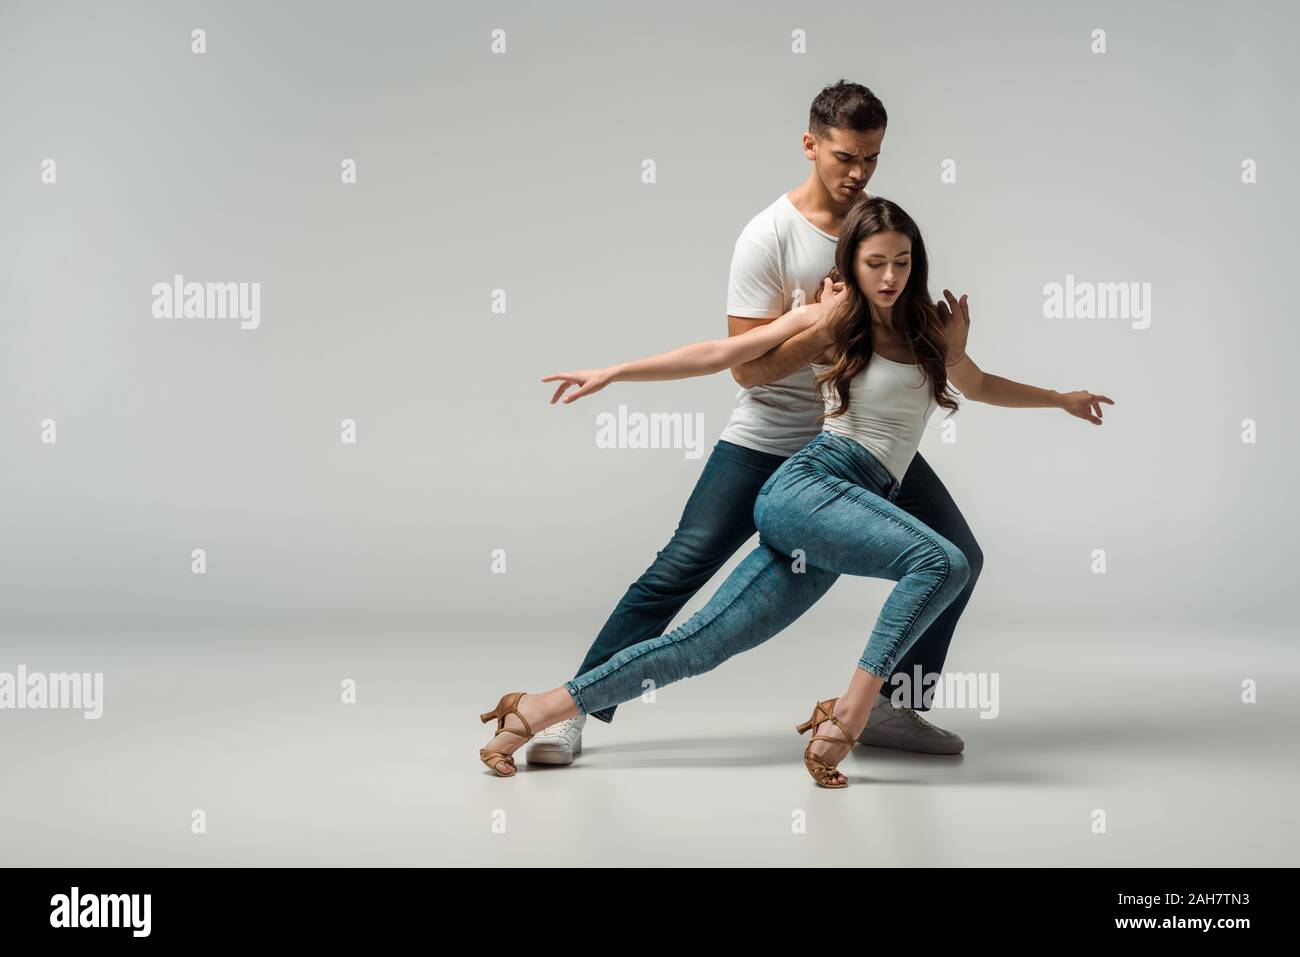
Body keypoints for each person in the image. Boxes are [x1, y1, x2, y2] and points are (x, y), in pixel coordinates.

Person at [479, 196, 1114, 787]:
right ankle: (850, 717)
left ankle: (538, 707)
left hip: (848, 505)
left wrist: (1059, 398)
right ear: (851, 266)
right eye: (874, 264)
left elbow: (976, 384)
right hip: (812, 485)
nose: (888, 276)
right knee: (938, 560)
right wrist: (615, 371)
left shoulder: (928, 332)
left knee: (706, 643)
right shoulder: (836, 316)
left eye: (901, 262)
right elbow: (720, 354)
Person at [527, 80, 982, 767]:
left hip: (856, 447)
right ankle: (576, 709)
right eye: (844, 157)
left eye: (872, 159)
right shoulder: (768, 236)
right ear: (810, 145)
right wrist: (821, 329)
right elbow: (745, 368)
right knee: (678, 569)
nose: (858, 174)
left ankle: (893, 705)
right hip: (769, 438)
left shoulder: (872, 231)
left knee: (959, 556)